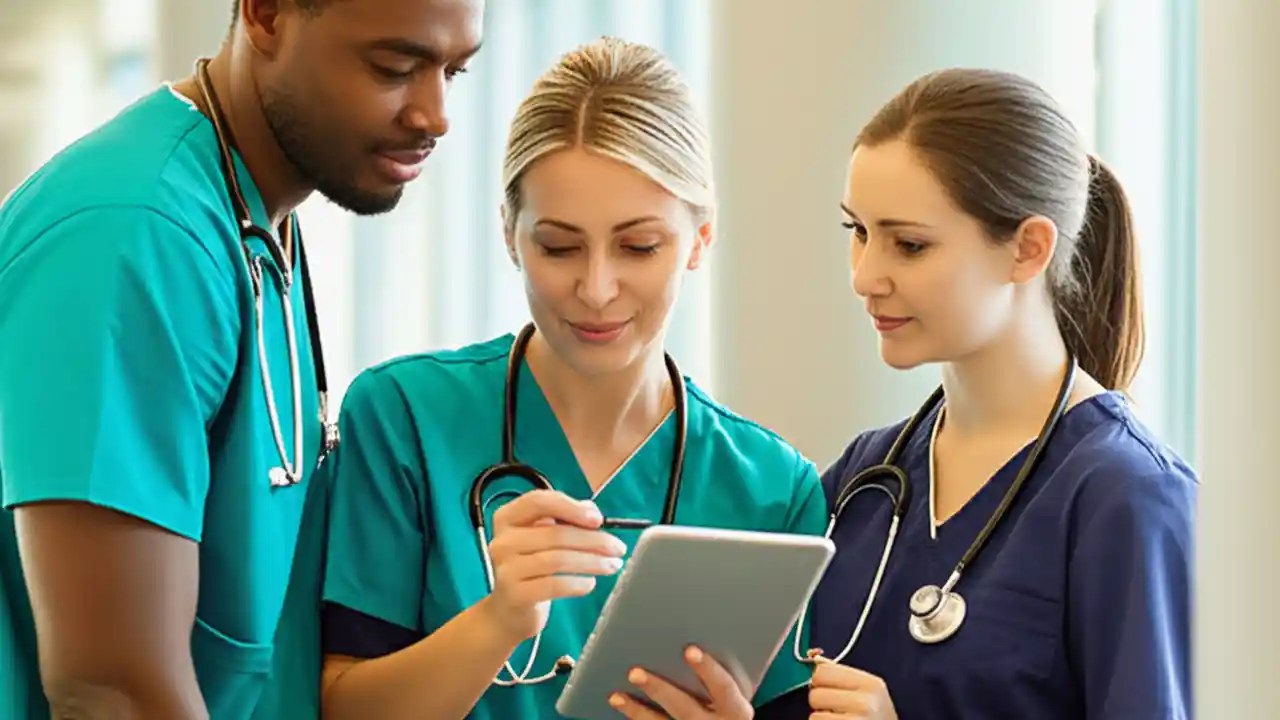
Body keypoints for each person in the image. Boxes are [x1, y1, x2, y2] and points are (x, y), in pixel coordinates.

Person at [316, 36, 827, 720]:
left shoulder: (773, 490)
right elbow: (341, 706)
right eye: (558, 246)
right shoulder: (403, 417)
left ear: (701, 240)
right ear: (508, 234)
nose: (596, 288)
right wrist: (498, 620)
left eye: (639, 246)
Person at [0, 0, 483, 718]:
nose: (435, 114)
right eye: (394, 67)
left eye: (454, 70)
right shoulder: (135, 234)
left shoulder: (256, 214)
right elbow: (114, 691)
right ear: (263, 13)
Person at [755, 67, 1198, 720]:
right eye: (858, 231)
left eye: (908, 244)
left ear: (1027, 249)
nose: (865, 276)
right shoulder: (863, 482)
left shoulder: (1127, 497)